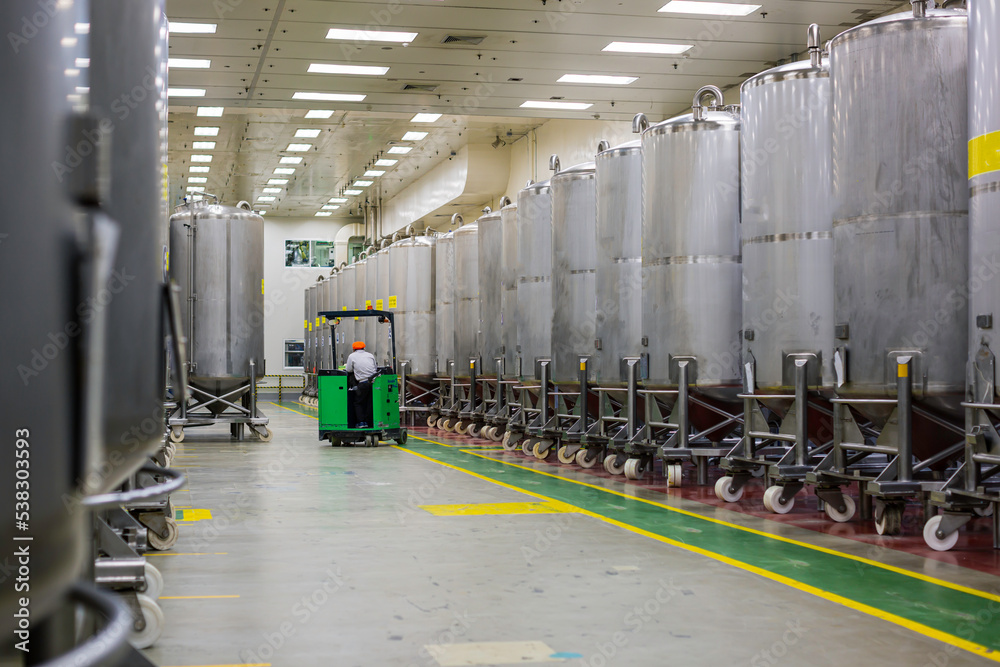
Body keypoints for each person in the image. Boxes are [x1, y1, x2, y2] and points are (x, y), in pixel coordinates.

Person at [345, 341, 377, 428]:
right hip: (375, 382)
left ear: (353, 349)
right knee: (369, 403)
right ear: (364, 348)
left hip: (363, 383)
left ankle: (361, 422)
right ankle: (370, 422)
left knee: (358, 402)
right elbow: (375, 368)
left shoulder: (352, 356)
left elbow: (348, 370)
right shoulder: (370, 355)